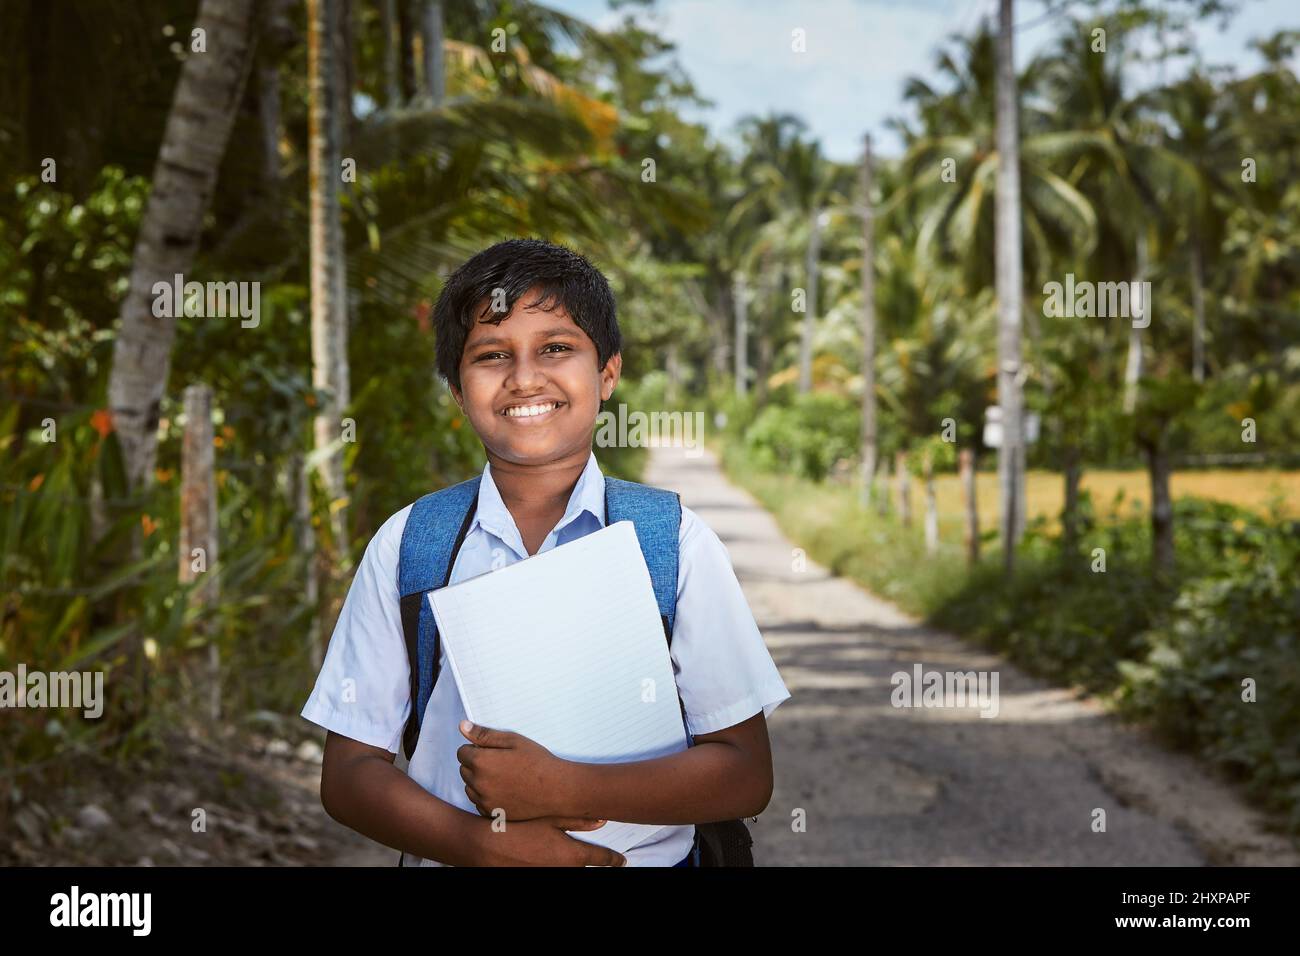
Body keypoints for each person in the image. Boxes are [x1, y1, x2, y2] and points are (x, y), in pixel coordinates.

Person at [301, 237, 790, 866]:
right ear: (456, 388)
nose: (525, 377)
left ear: (607, 373)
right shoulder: (410, 545)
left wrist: (565, 787)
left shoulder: (674, 545)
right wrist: (480, 845)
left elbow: (746, 774)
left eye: (556, 348)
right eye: (491, 355)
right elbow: (348, 774)